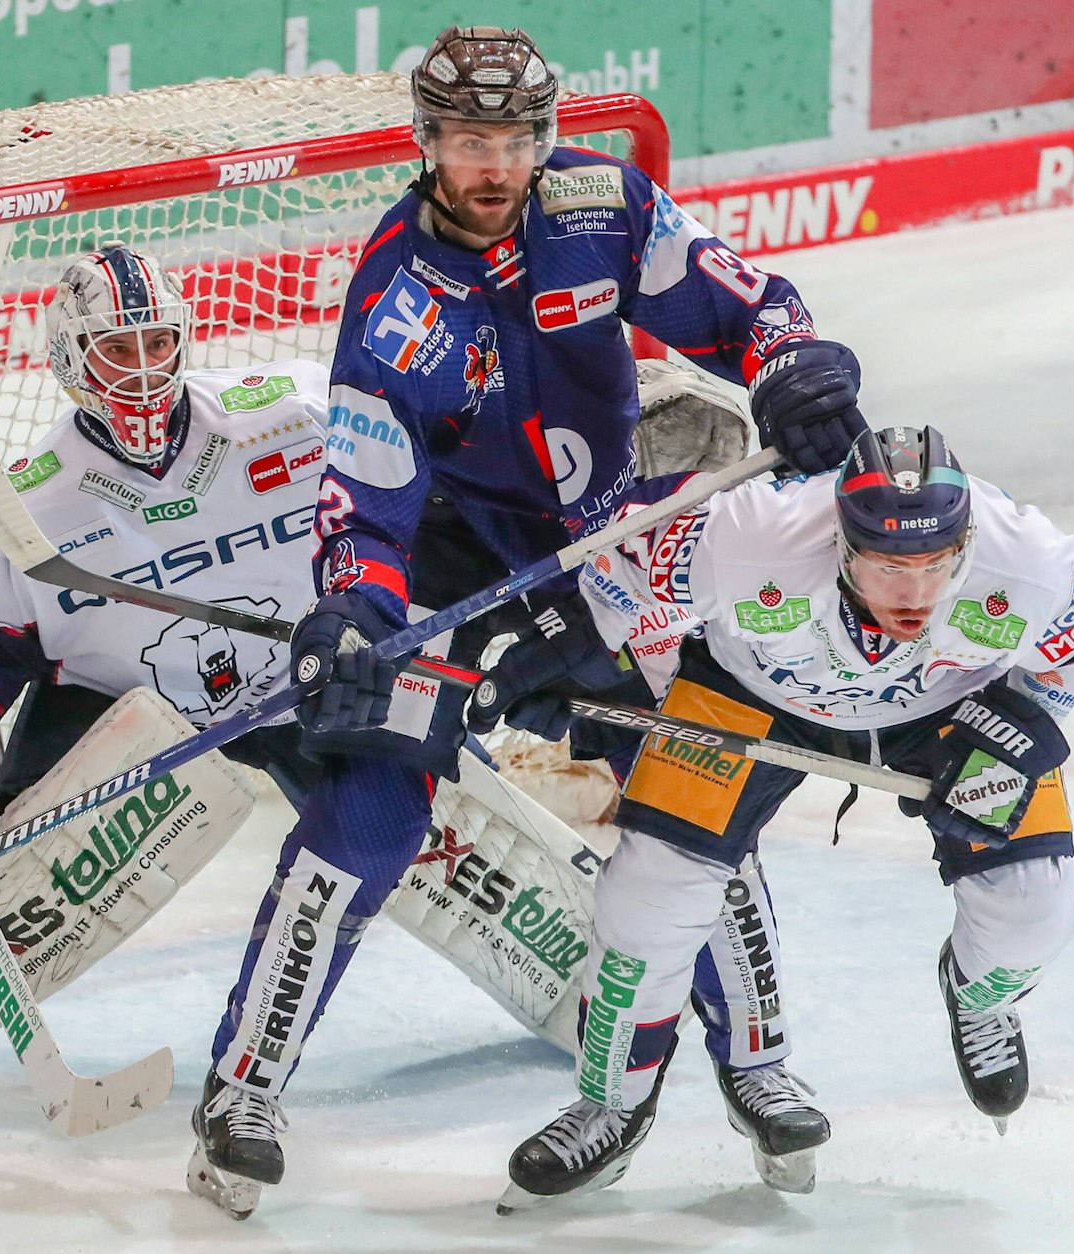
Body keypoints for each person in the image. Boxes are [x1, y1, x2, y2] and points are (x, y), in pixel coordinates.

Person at [0, 244, 755, 1132]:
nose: (139, 369)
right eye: (113, 351)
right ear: (68, 360)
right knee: (39, 862)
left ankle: (595, 981)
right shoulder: (28, 497)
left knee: (420, 825)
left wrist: (609, 421)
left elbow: (432, 441)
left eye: (156, 342)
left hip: (314, 678)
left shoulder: (286, 408)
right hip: (129, 712)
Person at [191, 23, 868, 1210]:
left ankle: (756, 1065)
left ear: (542, 138)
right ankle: (241, 1089)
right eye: (464, 138)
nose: (489, 163)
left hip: (611, 545)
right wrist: (356, 604)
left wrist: (793, 365)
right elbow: (370, 484)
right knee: (367, 813)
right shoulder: (392, 297)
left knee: (694, 789)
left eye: (509, 137)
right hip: (455, 569)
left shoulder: (604, 206)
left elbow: (745, 305)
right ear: (427, 142)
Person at [494, 425, 1074, 1211]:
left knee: (1034, 906)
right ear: (842, 542)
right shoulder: (751, 533)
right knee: (646, 901)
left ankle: (982, 997)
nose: (915, 593)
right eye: (889, 567)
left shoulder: (1028, 561)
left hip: (951, 706)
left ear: (967, 540)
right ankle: (613, 1101)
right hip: (750, 694)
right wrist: (594, 658)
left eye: (936, 565)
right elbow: (620, 561)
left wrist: (1024, 724)